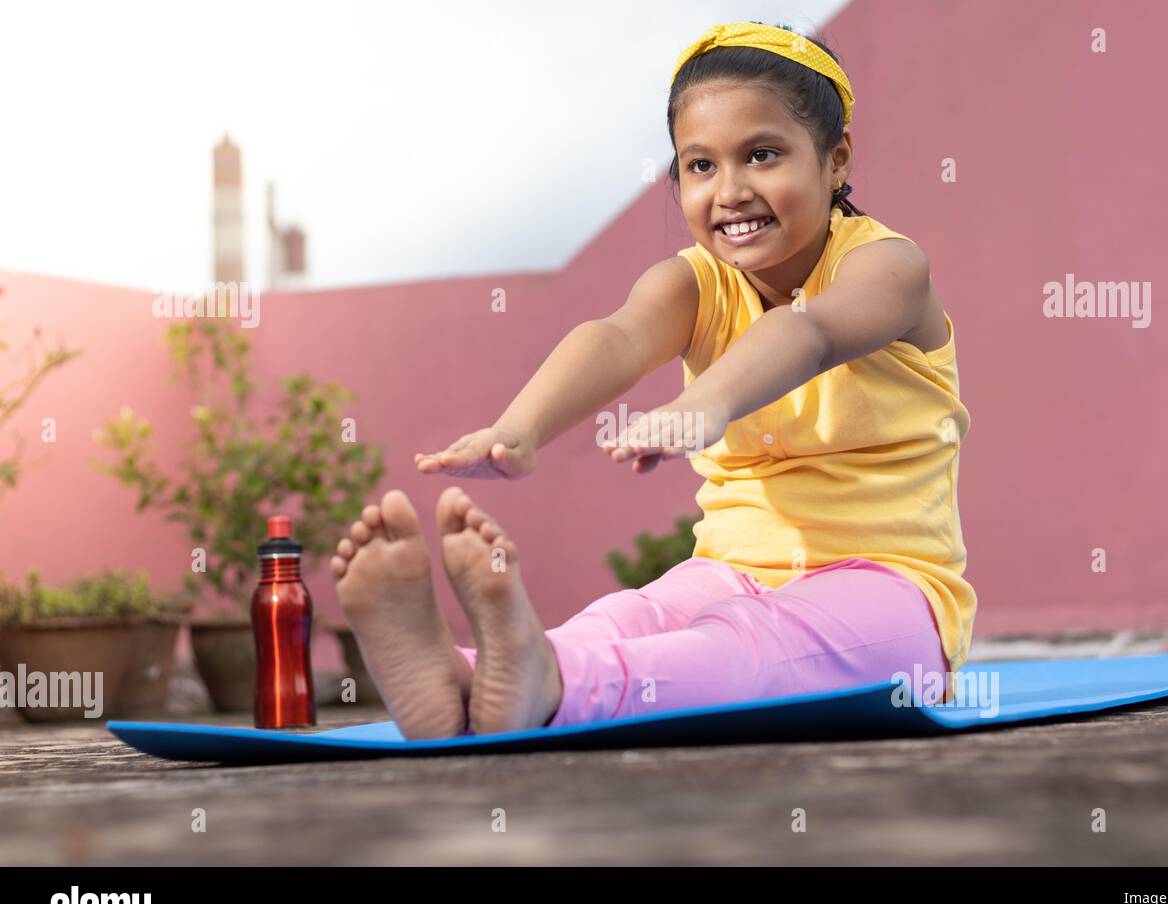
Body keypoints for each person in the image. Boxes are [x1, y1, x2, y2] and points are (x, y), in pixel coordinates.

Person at [329, 20, 976, 739]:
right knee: (625, 617)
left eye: (762, 155)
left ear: (835, 160)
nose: (730, 190)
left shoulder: (888, 269)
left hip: (891, 594)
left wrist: (704, 403)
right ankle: (466, 677)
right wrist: (520, 429)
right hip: (727, 569)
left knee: (747, 647)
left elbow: (808, 332)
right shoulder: (695, 284)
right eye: (700, 165)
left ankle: (549, 687)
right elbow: (617, 337)